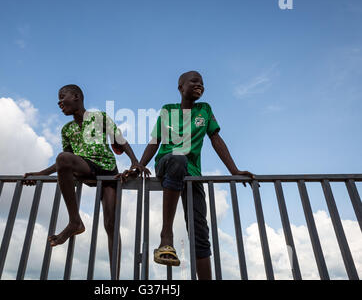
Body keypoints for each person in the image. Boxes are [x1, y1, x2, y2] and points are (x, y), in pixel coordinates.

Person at [123, 71, 255, 280]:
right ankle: (166, 236)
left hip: (192, 174)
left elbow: (216, 139)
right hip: (168, 162)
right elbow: (155, 141)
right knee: (178, 158)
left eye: (202, 83)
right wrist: (139, 164)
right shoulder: (169, 110)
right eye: (194, 81)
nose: (200, 85)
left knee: (200, 231)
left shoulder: (205, 110)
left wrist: (234, 170)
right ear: (180, 87)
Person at [23, 84, 146, 277]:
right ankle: (75, 222)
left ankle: (116, 277)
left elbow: (120, 139)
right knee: (64, 157)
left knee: (110, 223)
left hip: (107, 171)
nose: (59, 103)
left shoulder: (99, 118)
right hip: (86, 169)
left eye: (62, 97)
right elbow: (64, 161)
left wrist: (135, 162)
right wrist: (41, 174)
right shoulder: (67, 129)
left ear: (77, 96)